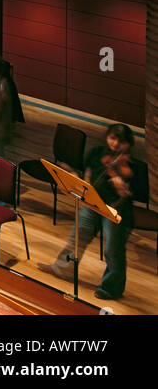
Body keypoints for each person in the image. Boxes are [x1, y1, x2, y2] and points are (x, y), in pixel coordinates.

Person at [37, 123, 135, 301]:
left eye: (121, 142)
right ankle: (62, 269)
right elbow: (87, 175)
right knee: (78, 237)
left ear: (128, 144)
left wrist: (122, 190)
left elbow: (132, 195)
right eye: (112, 138)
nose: (115, 144)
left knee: (113, 249)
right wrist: (76, 179)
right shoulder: (97, 153)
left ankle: (111, 288)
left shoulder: (133, 167)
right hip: (93, 202)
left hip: (116, 209)